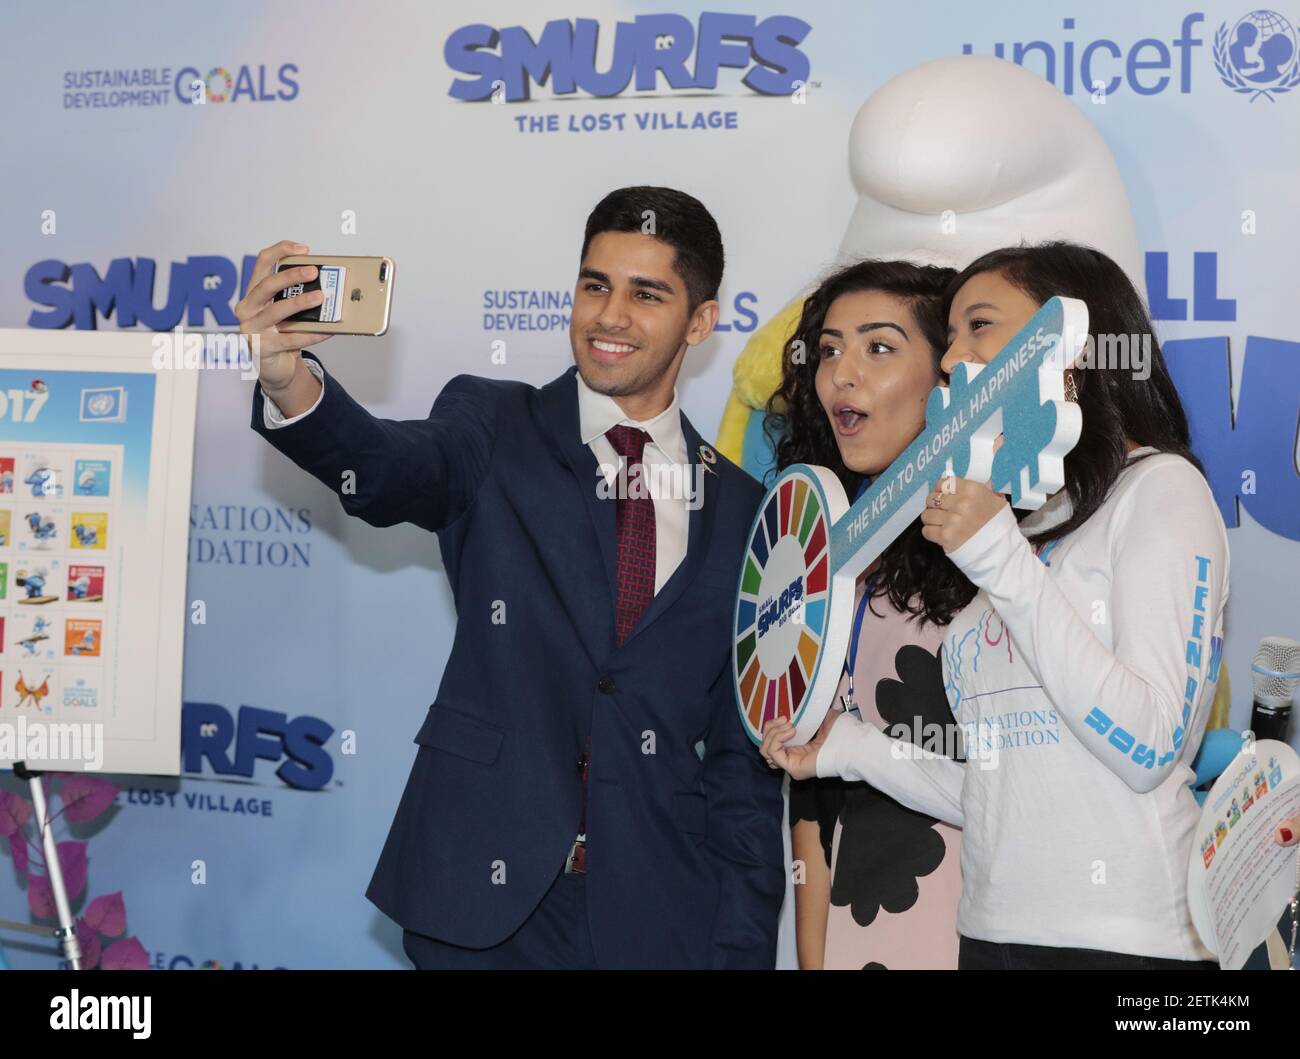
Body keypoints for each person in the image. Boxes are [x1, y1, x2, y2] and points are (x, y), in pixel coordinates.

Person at [237, 187, 785, 969]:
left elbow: (742, 767)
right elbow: (391, 470)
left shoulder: (741, 510)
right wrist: (292, 382)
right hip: (482, 916)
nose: (610, 315)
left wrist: (737, 948)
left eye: (646, 293)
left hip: (657, 917)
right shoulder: (495, 422)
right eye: (594, 284)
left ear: (700, 322)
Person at [762, 242, 1231, 970]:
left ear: (1075, 342)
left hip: (1127, 943)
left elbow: (1146, 745)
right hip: (988, 933)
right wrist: (844, 748)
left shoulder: (1161, 491)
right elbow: (995, 787)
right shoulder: (1025, 525)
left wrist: (998, 557)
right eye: (949, 338)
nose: (953, 361)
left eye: (980, 326)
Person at [764, 260, 965, 969]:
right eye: (828, 350)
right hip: (853, 932)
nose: (840, 374)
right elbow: (809, 791)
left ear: (949, 375)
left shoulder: (997, 544)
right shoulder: (812, 551)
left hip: (978, 922)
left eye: (879, 347)